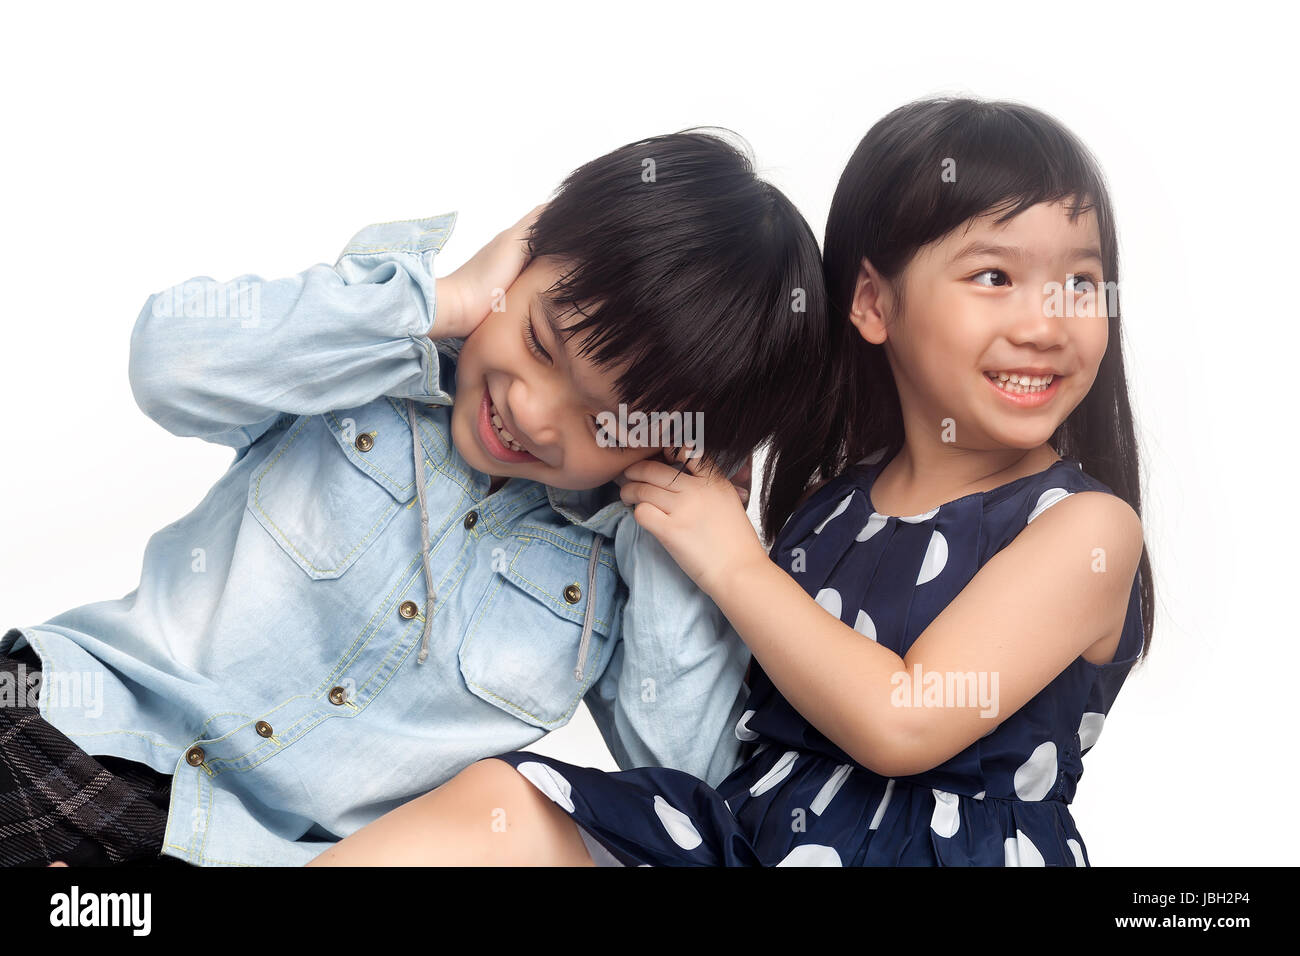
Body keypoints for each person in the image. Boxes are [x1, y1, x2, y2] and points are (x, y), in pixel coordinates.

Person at [306, 96, 1155, 867]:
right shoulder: (831, 507)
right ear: (872, 303)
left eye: (1081, 283)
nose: (1048, 323)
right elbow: (720, 738)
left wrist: (735, 564)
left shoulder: (1085, 530)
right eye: (995, 278)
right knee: (508, 803)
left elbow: (906, 721)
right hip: (750, 846)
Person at [1, 128, 832, 866]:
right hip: (66, 733)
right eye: (540, 342)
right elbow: (169, 363)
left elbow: (688, 788)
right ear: (526, 251)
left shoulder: (612, 576)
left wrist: (687, 545)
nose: (534, 412)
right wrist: (442, 301)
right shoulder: (367, 371)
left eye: (606, 422)